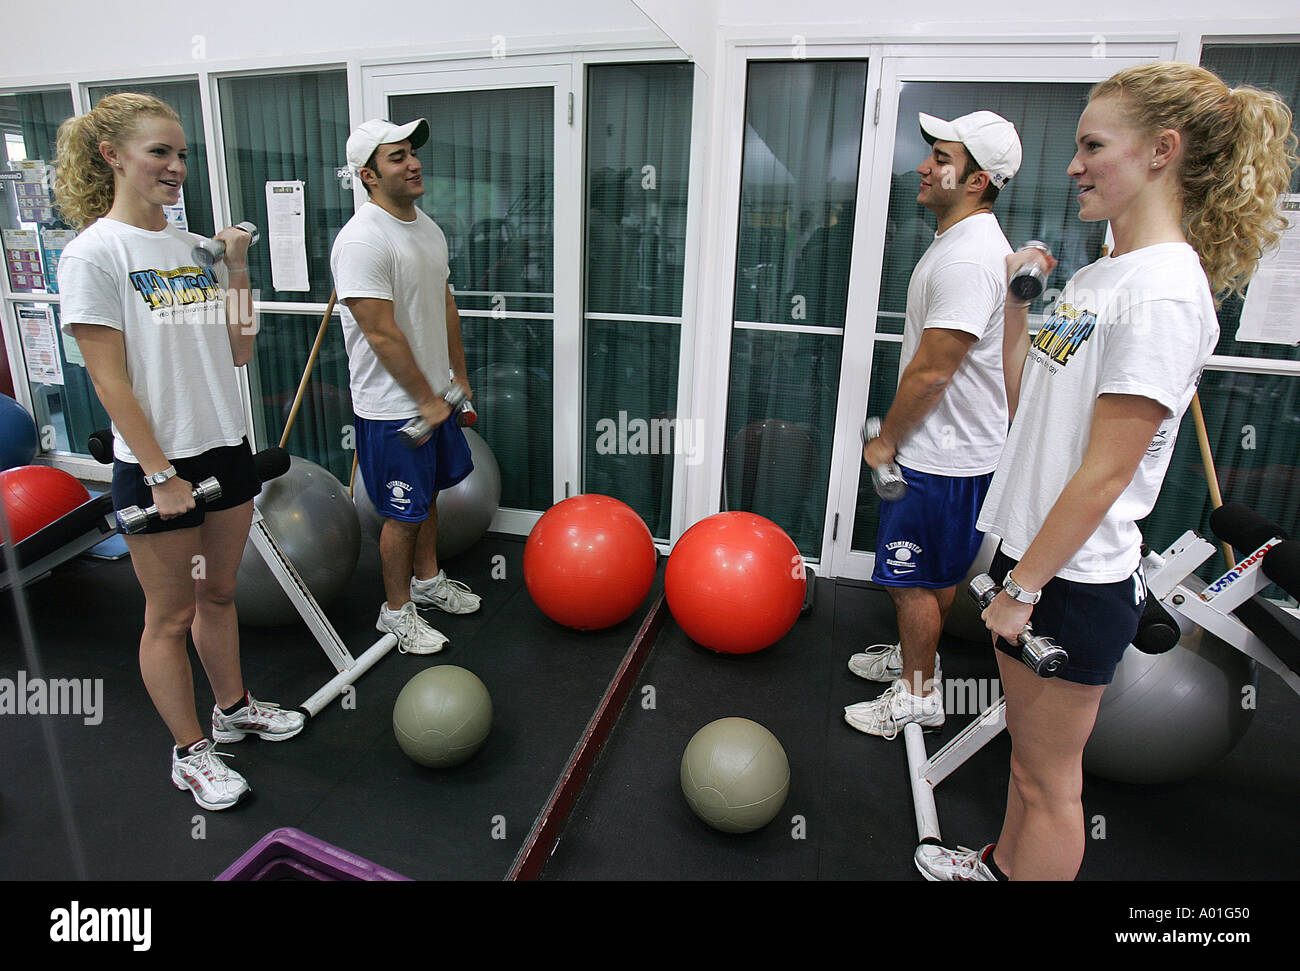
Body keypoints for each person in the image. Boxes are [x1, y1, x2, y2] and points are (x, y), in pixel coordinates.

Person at [916, 62, 1297, 881]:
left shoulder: (1164, 292)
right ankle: (999, 864)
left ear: (1162, 150)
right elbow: (1026, 404)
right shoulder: (1099, 277)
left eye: (1093, 144)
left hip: (1075, 578)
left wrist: (1023, 590)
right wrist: (1021, 302)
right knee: (1023, 762)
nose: (1073, 164)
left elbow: (1106, 471)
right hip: (1037, 557)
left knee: (1050, 781)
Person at [54, 93, 304, 812]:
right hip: (159, 464)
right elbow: (109, 379)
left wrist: (235, 269)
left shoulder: (193, 249)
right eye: (159, 151)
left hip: (225, 443)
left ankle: (234, 706)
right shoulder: (94, 252)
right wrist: (160, 473)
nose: (175, 167)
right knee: (167, 616)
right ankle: (191, 752)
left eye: (182, 153)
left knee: (219, 594)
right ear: (112, 156)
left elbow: (241, 346)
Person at [845, 111, 1021, 738]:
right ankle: (916, 660)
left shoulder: (971, 258)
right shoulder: (964, 244)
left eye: (943, 158)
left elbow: (933, 372)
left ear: (978, 180)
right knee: (932, 572)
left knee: (911, 580)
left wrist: (887, 440)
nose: (925, 166)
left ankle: (918, 694)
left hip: (939, 457)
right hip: (952, 451)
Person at [331, 118, 481, 657]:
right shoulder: (362, 241)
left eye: (412, 152)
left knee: (430, 495)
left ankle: (427, 580)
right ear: (368, 175)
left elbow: (444, 306)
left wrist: (456, 378)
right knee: (402, 512)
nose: (413, 163)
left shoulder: (427, 228)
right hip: (393, 407)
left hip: (434, 397)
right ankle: (394, 612)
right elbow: (379, 331)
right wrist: (423, 399)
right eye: (397, 158)